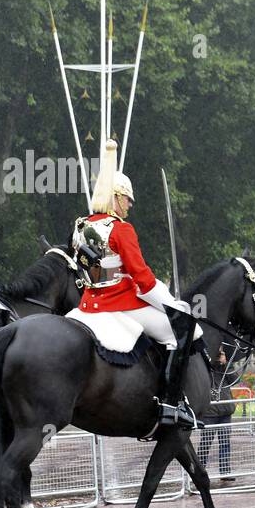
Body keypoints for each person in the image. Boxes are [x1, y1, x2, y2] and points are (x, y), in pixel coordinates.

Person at [71, 139, 199, 429]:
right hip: (122, 302)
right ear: (115, 197)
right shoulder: (121, 229)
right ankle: (170, 405)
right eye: (127, 199)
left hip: (88, 303)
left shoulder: (82, 227)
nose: (129, 205)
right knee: (177, 332)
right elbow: (141, 279)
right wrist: (170, 304)